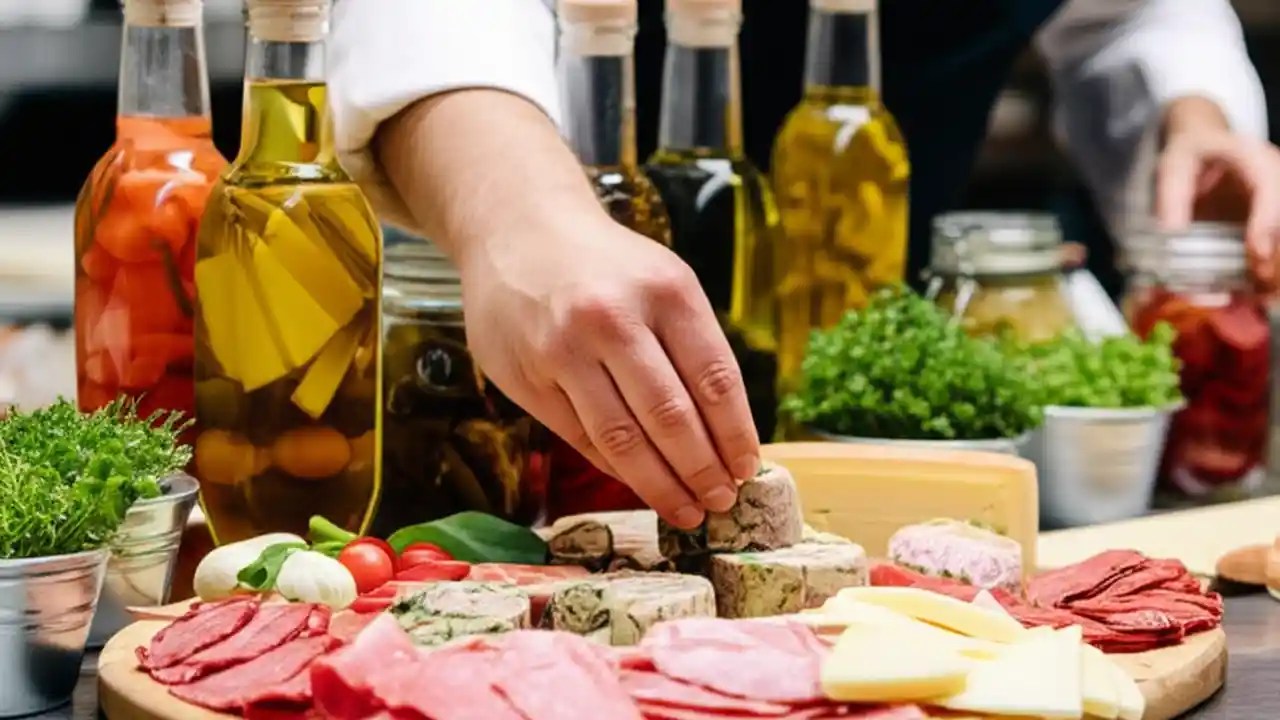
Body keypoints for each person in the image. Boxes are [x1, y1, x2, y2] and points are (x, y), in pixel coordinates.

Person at [328, 0, 1280, 527]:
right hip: (530, 354)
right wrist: (520, 220)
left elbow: (1130, 16)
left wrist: (1191, 118)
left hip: (867, 389)